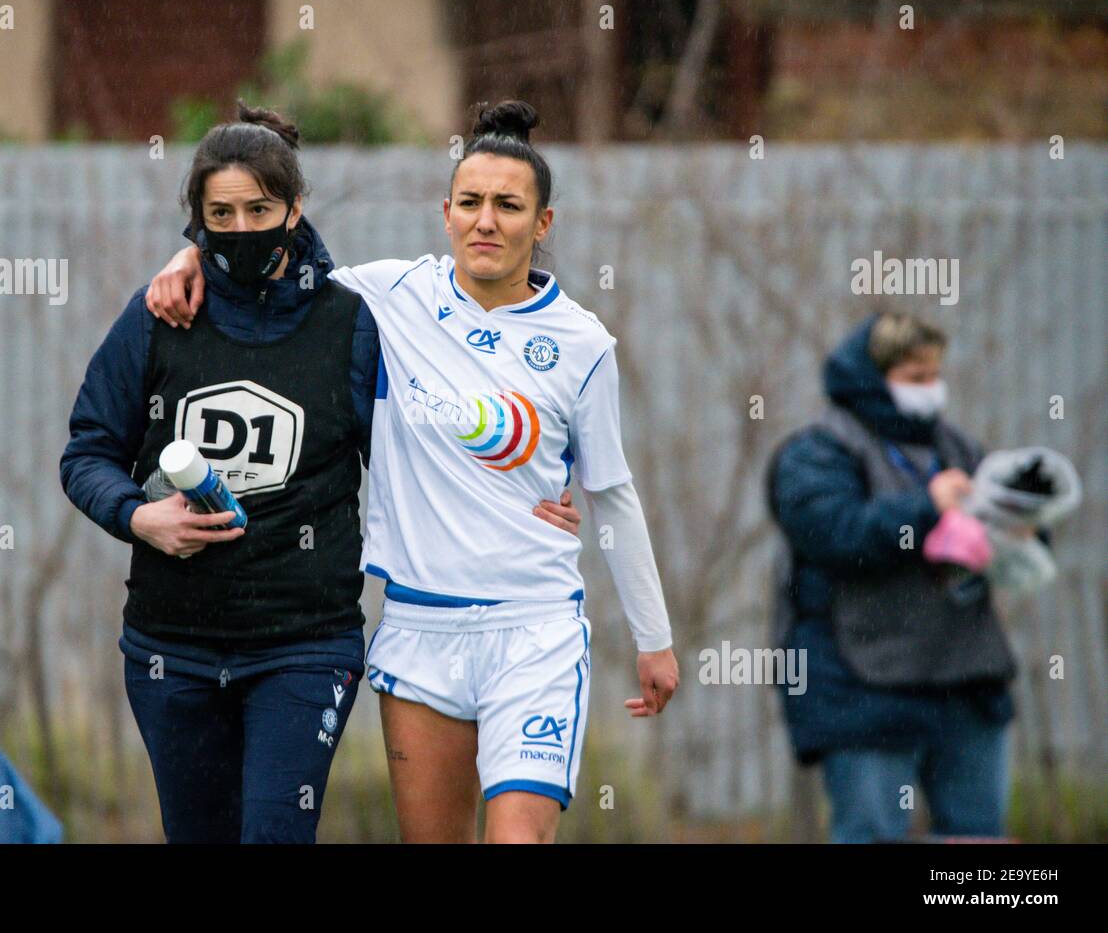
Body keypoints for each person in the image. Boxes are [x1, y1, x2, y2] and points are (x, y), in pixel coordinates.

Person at [146, 100, 680, 843]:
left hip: (534, 629)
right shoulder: (391, 297)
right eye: (470, 202)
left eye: (508, 205)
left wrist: (653, 638)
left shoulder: (583, 343)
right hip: (420, 628)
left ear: (543, 223)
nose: (486, 220)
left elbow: (612, 496)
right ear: (446, 212)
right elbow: (273, 262)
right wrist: (191, 253)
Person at [766, 311, 1023, 843]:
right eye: (914, 378)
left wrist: (1023, 530)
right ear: (871, 377)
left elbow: (1010, 533)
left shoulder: (959, 449)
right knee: (871, 832)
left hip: (966, 679)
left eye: (935, 375)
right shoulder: (813, 454)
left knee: (977, 843)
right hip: (861, 687)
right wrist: (927, 507)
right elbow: (838, 534)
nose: (931, 391)